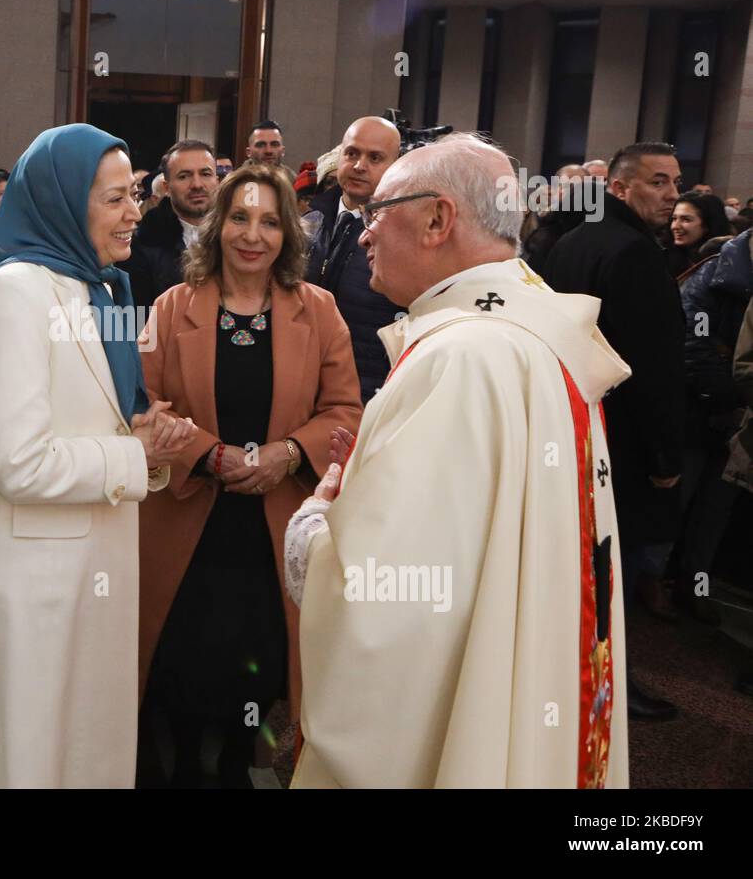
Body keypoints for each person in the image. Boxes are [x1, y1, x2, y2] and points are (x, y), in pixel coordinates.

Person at [285, 133, 631, 788]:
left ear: (439, 219)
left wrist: (317, 525)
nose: (361, 236)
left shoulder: (462, 358)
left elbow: (391, 602)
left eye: (377, 215)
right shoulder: (534, 327)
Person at [0, 123, 195, 788]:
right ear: (62, 202)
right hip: (32, 582)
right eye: (114, 199)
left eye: (134, 193)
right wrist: (134, 454)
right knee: (24, 754)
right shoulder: (15, 294)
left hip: (90, 571)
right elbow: (17, 460)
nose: (136, 210)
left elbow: (105, 414)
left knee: (78, 752)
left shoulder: (101, 290)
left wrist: (147, 436)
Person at [136, 163, 362, 788]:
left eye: (269, 221)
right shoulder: (173, 305)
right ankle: (183, 763)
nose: (252, 235)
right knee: (184, 646)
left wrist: (288, 453)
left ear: (289, 233)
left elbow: (345, 409)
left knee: (259, 651)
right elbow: (145, 408)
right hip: (190, 512)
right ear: (217, 225)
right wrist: (210, 455)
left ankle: (237, 762)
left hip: (273, 515)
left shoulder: (318, 310)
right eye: (239, 217)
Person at [544, 141, 686, 722]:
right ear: (621, 189)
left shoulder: (571, 243)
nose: (673, 194)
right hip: (621, 445)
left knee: (583, 565)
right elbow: (652, 371)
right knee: (612, 571)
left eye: (676, 182)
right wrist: (665, 455)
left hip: (574, 428)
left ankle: (574, 676)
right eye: (658, 182)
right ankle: (608, 686)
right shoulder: (637, 255)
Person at [676, 226, 752, 623]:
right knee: (681, 498)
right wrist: (730, 400)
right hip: (701, 411)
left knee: (714, 513)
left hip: (739, 419)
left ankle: (695, 586)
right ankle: (651, 582)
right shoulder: (716, 274)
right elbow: (695, 342)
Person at [304, 116, 403, 403]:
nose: (360, 166)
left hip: (366, 392)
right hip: (303, 388)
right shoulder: (308, 219)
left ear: (395, 166)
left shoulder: (402, 237)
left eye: (375, 158)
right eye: (352, 154)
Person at [119, 139, 218, 310]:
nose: (197, 184)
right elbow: (138, 322)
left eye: (205, 174)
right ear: (166, 187)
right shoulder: (140, 246)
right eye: (184, 176)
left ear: (217, 180)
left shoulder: (235, 237)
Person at [667, 191, 731, 279]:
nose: (675, 226)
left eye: (686, 219)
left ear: (707, 224)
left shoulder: (728, 263)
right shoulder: (662, 257)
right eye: (674, 219)